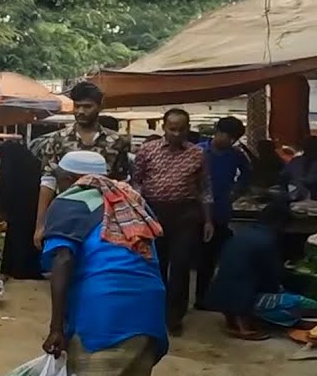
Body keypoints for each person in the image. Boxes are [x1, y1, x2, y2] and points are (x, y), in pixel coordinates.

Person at [40, 150, 167, 376]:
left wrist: (56, 327)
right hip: (148, 312)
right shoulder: (132, 200)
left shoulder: (69, 203)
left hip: (103, 315)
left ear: (69, 179)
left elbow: (62, 261)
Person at [130, 108, 211, 335]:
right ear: (163, 127)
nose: (176, 133)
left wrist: (207, 220)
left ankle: (174, 317)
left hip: (186, 213)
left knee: (181, 265)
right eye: (172, 128)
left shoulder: (197, 154)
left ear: (188, 128)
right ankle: (153, 312)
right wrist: (138, 212)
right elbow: (136, 182)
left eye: (181, 129)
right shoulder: (147, 150)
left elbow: (205, 189)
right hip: (153, 212)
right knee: (155, 263)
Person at [33, 81, 132, 247]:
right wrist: (40, 225)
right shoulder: (58, 139)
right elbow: (48, 183)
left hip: (102, 216)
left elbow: (122, 185)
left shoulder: (117, 142)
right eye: (77, 106)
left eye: (87, 106)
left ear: (100, 106)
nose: (80, 111)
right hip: (65, 212)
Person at [205, 197, 317, 339]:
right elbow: (274, 276)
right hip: (241, 297)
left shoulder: (243, 234)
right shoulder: (267, 240)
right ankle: (244, 327)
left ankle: (233, 320)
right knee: (297, 302)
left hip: (219, 295)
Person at [197, 116, 252, 308]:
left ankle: (203, 298)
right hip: (196, 211)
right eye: (227, 136)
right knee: (189, 256)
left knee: (210, 257)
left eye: (233, 139)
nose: (229, 141)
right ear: (217, 132)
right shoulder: (199, 151)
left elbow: (247, 176)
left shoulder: (236, 155)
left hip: (220, 211)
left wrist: (235, 192)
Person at [0, 140, 42, 279]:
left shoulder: (9, 167)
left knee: (15, 239)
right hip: (34, 209)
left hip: (17, 211)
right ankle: (30, 270)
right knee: (29, 240)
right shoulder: (34, 165)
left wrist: (3, 209)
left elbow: (5, 190)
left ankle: (14, 268)